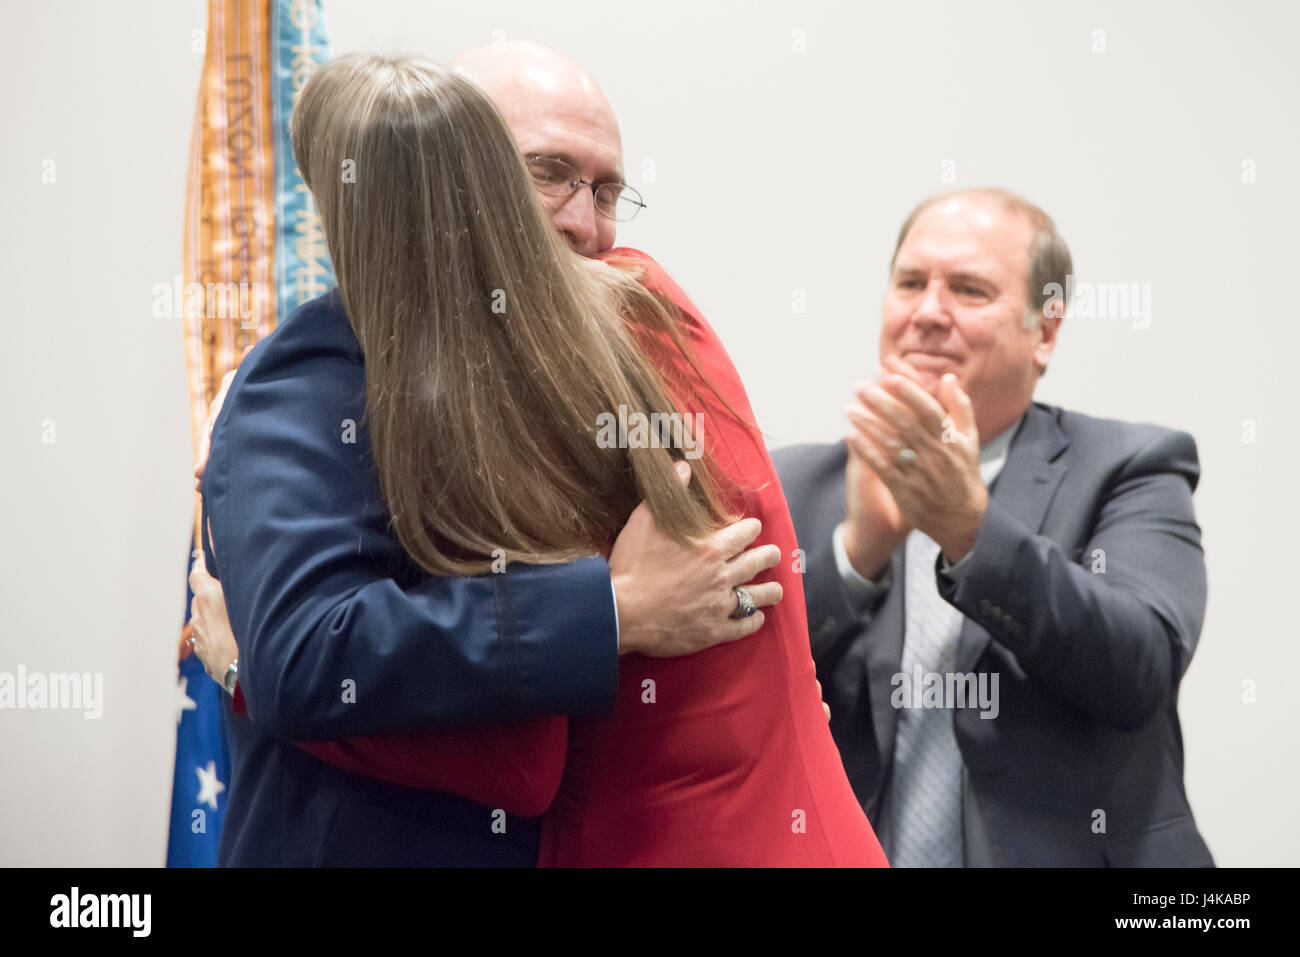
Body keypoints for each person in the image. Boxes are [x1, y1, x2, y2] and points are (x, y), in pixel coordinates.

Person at [198, 51, 883, 866]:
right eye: (549, 174)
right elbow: (325, 650)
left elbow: (519, 761)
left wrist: (248, 668)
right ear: (455, 179)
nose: (584, 224)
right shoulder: (336, 368)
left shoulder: (602, 332)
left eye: (605, 190)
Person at [772, 187, 1214, 866]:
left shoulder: (1129, 465)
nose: (927, 313)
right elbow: (744, 701)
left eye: (969, 290)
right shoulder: (795, 483)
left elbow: (1139, 668)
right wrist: (856, 559)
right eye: (910, 283)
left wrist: (970, 531)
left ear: (1046, 332)